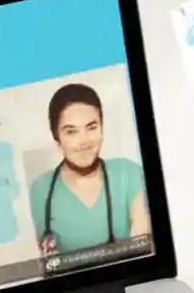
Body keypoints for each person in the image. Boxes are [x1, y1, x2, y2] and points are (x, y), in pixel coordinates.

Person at [29, 83, 150, 255]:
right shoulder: (41, 188)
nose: (84, 141)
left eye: (92, 127)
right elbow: (50, 264)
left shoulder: (129, 174)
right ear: (57, 138)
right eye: (71, 132)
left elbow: (141, 253)